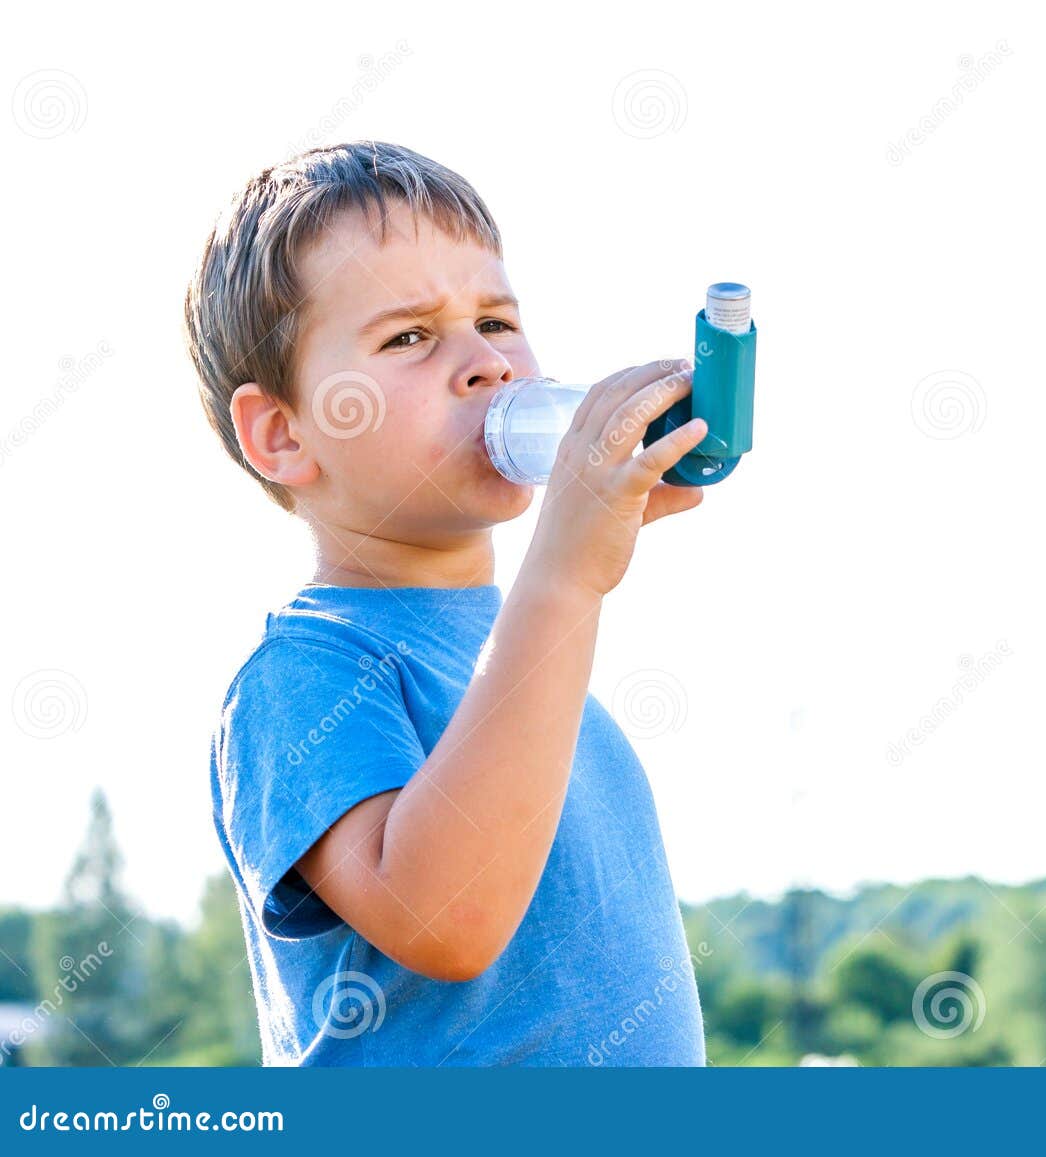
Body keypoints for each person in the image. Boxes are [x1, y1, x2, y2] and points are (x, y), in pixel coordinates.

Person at [185, 140, 711, 1065]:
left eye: (498, 321)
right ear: (283, 434)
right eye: (409, 337)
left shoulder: (534, 656)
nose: (485, 364)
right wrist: (566, 580)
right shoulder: (303, 676)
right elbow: (447, 919)